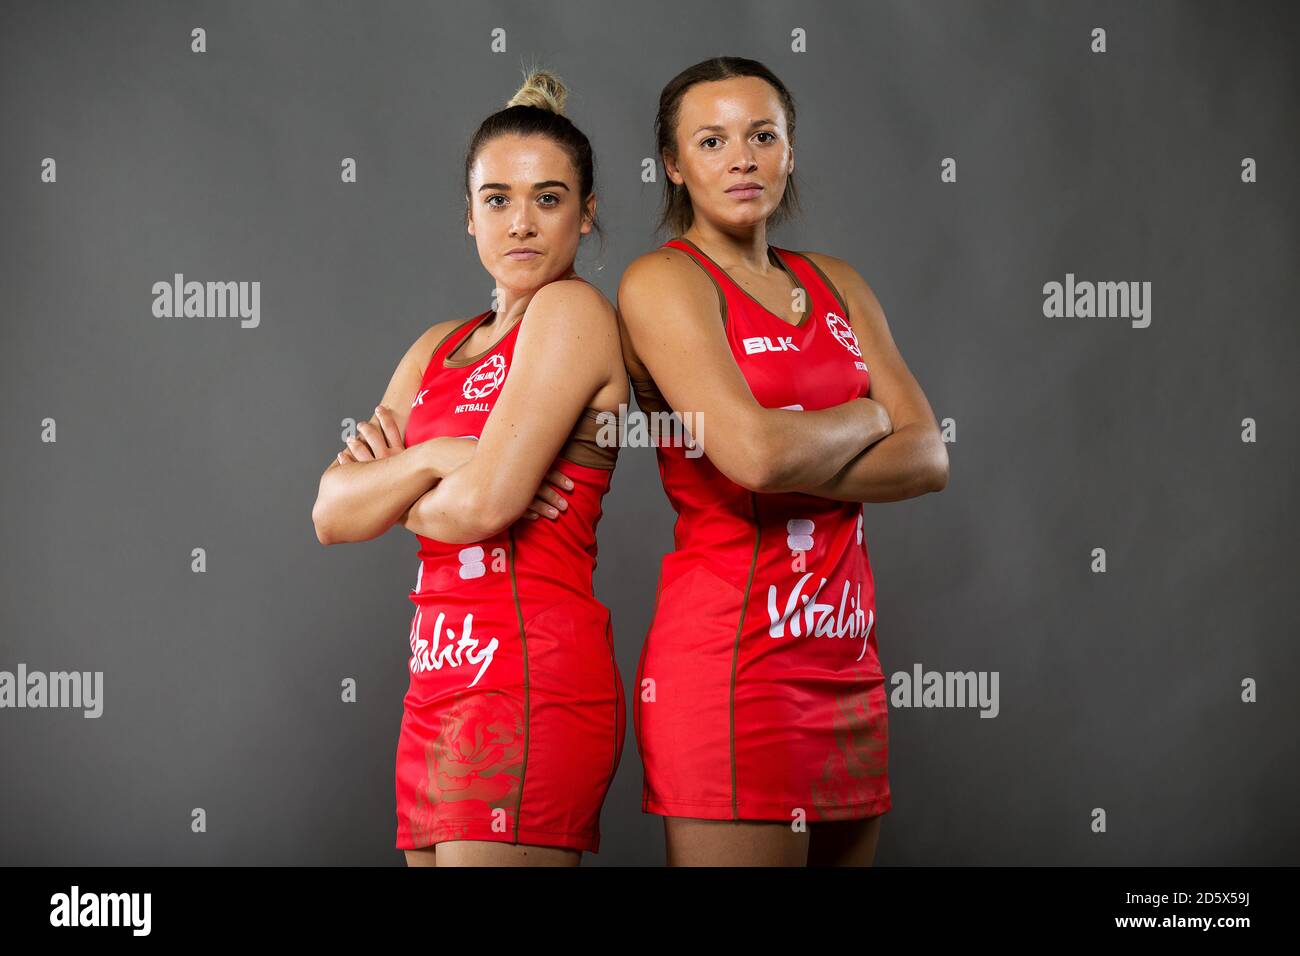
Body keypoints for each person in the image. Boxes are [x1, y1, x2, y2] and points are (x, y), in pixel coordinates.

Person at [616, 56, 949, 866]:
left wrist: (797, 439)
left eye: (762, 135)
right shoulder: (663, 281)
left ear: (790, 151)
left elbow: (929, 455)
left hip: (845, 662)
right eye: (712, 140)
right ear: (673, 164)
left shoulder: (837, 281)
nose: (741, 158)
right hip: (734, 665)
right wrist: (870, 415)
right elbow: (752, 459)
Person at [312, 68, 627, 867]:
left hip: (528, 678)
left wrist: (405, 487)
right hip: (435, 684)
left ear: (586, 215)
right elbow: (331, 513)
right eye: (498, 199)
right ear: (469, 216)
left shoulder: (573, 312)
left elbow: (484, 507)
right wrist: (442, 455)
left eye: (549, 198)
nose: (521, 222)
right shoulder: (438, 346)